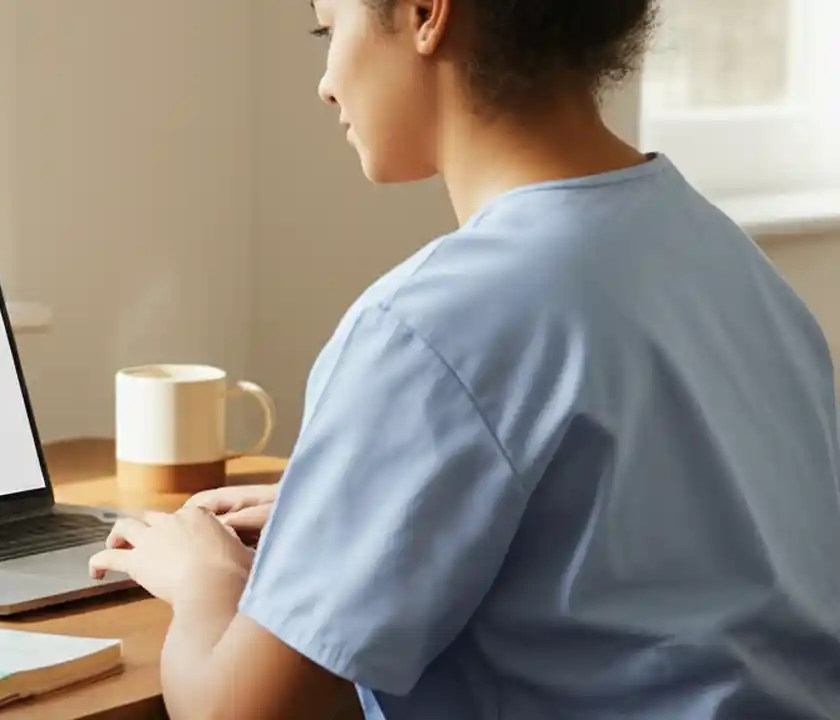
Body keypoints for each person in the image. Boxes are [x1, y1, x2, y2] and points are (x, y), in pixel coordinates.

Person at [88, 0, 840, 717]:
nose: (325, 84)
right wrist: (348, 522)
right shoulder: (724, 259)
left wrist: (206, 583)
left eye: (328, 32)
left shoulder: (429, 326)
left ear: (425, 14)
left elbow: (236, 711)